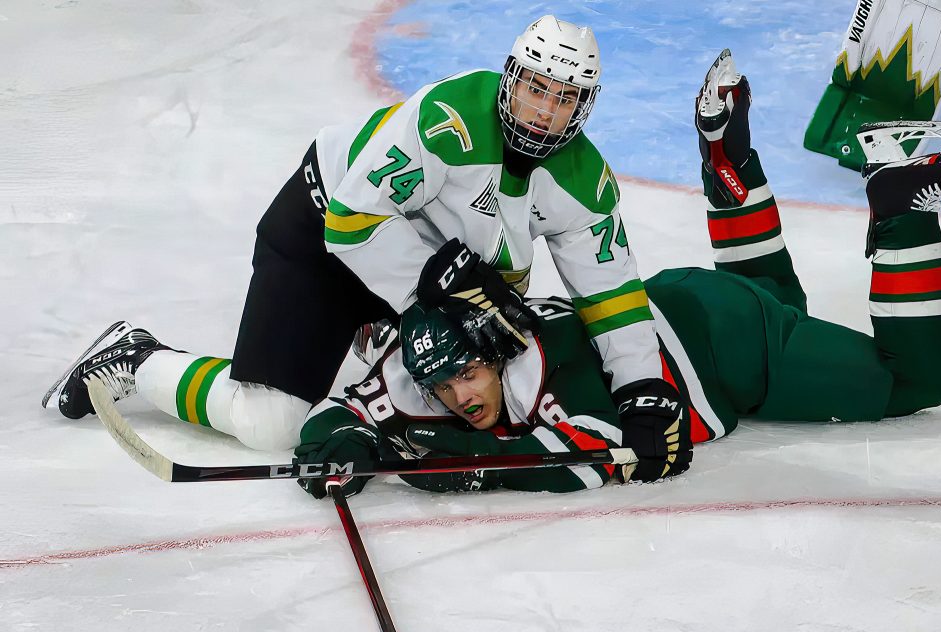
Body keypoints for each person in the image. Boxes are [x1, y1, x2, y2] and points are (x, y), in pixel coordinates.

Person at [291, 50, 941, 497]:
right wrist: (342, 443)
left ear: (498, 346)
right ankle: (730, 161)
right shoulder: (441, 351)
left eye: (466, 378)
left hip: (725, 348)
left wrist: (447, 460)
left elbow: (565, 458)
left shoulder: (544, 379)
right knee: (782, 301)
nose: (456, 393)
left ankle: (901, 202)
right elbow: (348, 409)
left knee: (914, 381)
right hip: (687, 303)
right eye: (444, 384)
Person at [42, 15, 683, 481]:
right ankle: (139, 355)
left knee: (490, 381)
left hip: (421, 272)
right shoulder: (449, 119)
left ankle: (380, 332)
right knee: (270, 423)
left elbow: (613, 293)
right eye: (536, 88)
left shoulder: (583, 180)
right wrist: (428, 291)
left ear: (586, 106)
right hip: (324, 234)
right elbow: (351, 221)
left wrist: (643, 392)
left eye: (565, 97)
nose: (545, 111)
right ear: (511, 80)